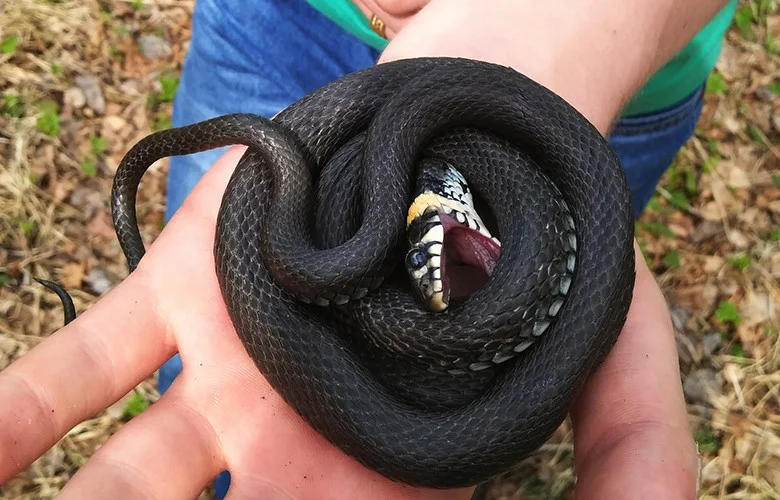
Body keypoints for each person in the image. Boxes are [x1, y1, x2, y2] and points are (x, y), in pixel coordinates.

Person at [0, 0, 736, 498]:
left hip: (598, 51)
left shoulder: (480, 180)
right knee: (195, 360)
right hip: (274, 19)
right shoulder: (359, 206)